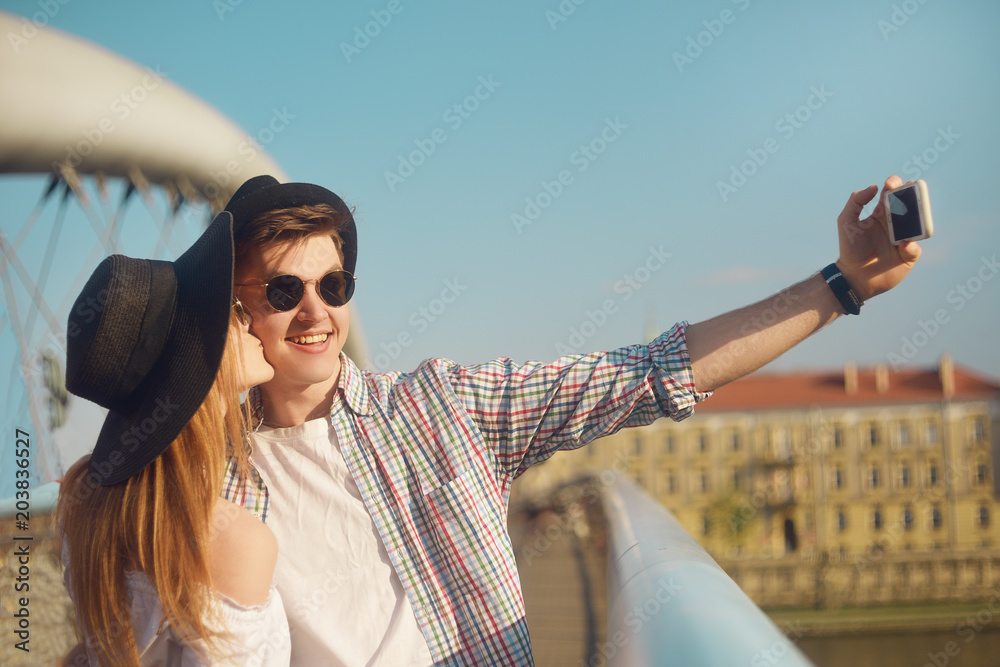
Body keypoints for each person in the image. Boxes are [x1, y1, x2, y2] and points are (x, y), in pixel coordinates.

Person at [221, 174, 921, 665]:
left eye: (333, 285)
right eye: (285, 290)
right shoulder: (208, 475)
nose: (316, 312)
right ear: (238, 308)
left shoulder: (439, 407)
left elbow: (654, 370)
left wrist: (843, 284)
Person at [57, 211, 289, 665]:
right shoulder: (236, 541)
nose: (249, 323)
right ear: (199, 362)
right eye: (234, 315)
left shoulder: (81, 492)